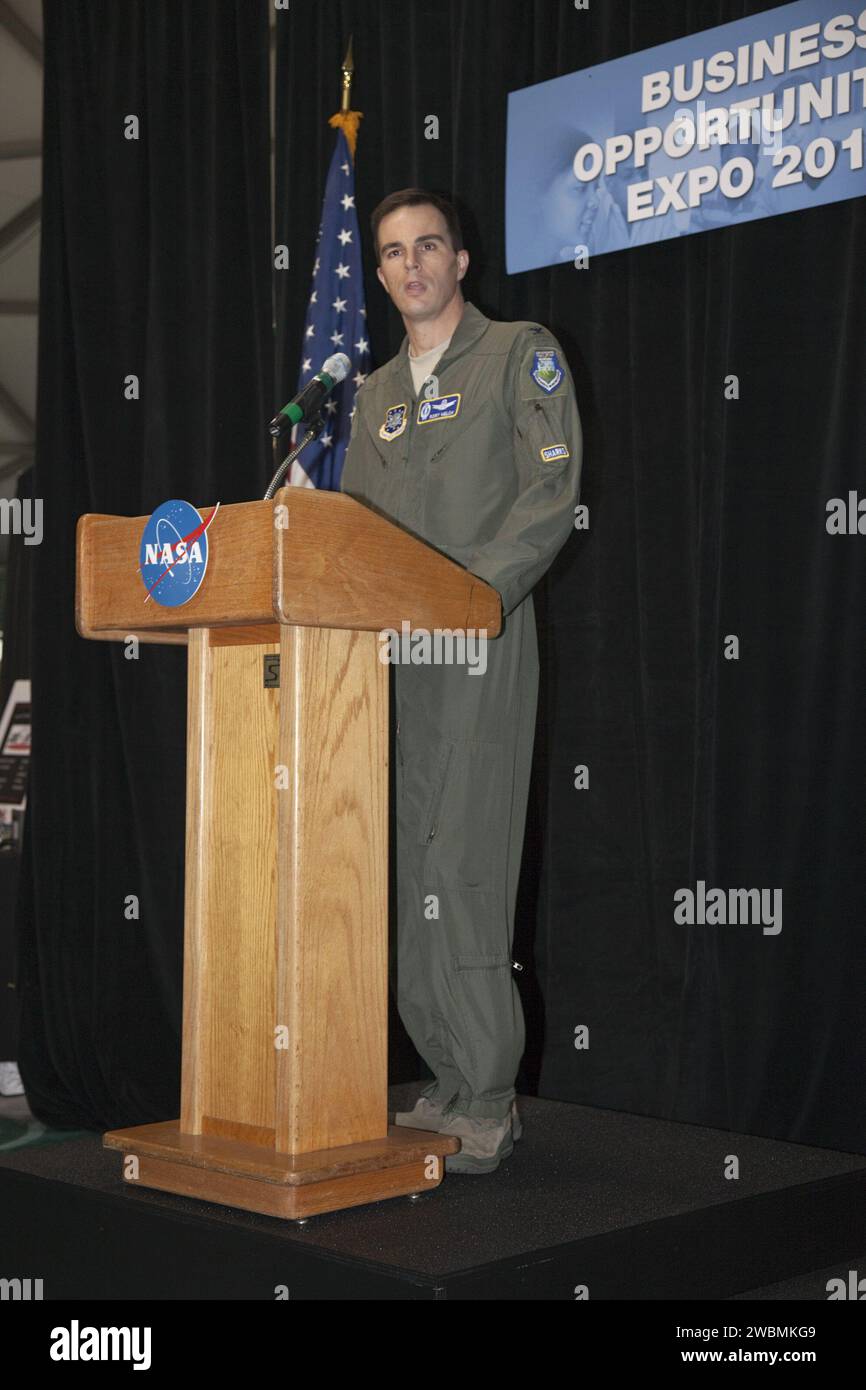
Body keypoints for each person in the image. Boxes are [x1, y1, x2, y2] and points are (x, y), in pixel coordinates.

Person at [340, 189, 583, 1173]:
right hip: (387, 662)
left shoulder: (519, 350)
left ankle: (487, 1092)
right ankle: (438, 1075)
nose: (410, 265)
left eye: (426, 246)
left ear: (460, 260)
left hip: (476, 642)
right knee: (401, 868)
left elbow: (551, 493)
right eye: (392, 252)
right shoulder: (370, 396)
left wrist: (469, 594)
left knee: (464, 863)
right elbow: (350, 531)